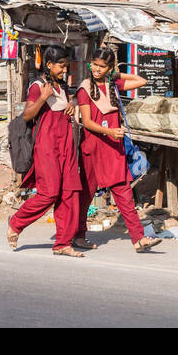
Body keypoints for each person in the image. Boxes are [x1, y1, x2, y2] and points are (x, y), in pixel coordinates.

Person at [72, 47, 162, 253]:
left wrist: (115, 73)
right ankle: (77, 236)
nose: (96, 69)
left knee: (123, 193)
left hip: (114, 148)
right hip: (93, 149)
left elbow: (141, 81)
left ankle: (139, 239)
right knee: (86, 195)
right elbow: (86, 122)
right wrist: (109, 131)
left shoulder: (112, 84)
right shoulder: (85, 88)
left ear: (109, 68)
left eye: (102, 66)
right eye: (94, 64)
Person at [7, 46, 85, 257]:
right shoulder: (38, 86)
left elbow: (66, 106)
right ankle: (16, 223)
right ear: (49, 65)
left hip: (66, 144)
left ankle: (62, 243)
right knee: (49, 193)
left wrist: (71, 105)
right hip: (47, 146)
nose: (64, 70)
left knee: (69, 192)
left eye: (66, 66)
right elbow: (26, 115)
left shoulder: (61, 86)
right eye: (61, 66)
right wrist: (43, 98)